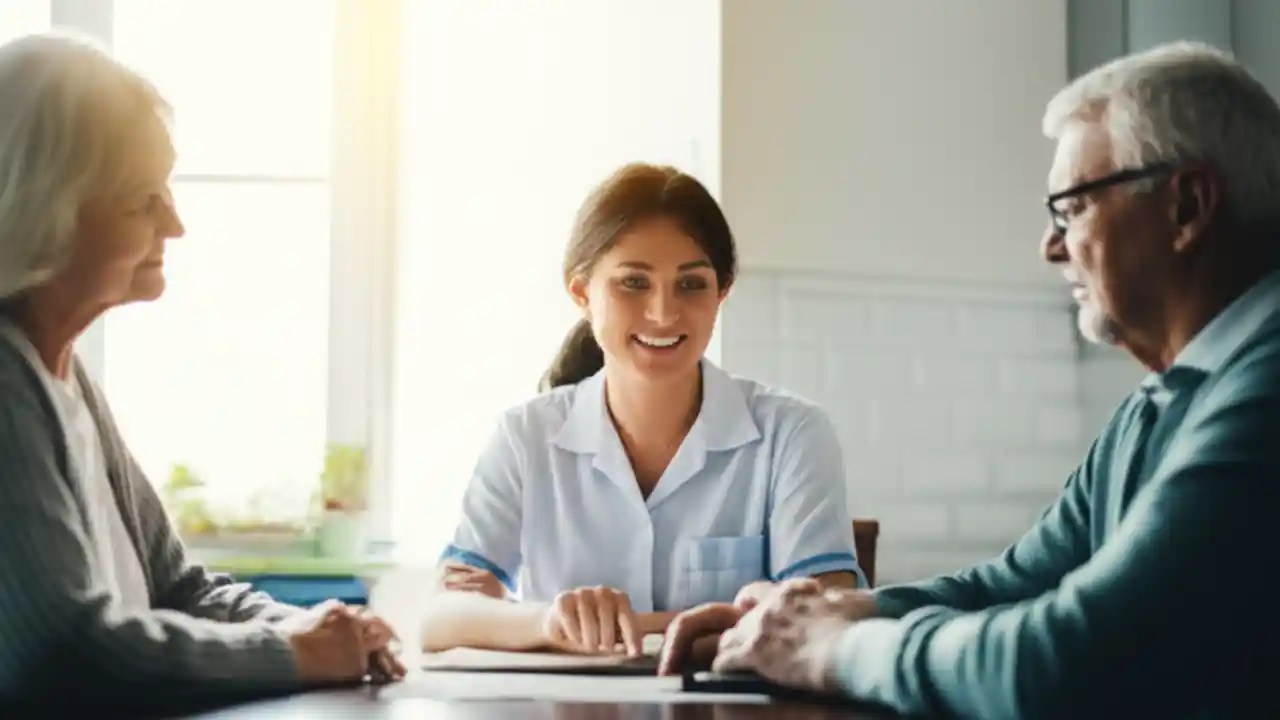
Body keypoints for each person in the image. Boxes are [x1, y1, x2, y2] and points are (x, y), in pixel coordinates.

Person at [659, 41, 1280, 718]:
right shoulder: (1163, 402)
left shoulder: (1264, 392)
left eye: (1070, 209)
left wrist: (831, 649)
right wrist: (822, 610)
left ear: (1188, 206)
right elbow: (1019, 582)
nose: (1050, 246)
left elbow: (1063, 661)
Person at [0, 33, 403, 709]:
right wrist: (294, 652)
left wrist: (308, 627)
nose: (176, 224)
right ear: (49, 211)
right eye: (142, 202)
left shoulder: (61, 378)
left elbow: (179, 589)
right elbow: (64, 650)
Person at [420, 163, 864, 656]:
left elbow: (827, 614)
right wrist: (550, 620)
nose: (662, 313)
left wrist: (619, 626)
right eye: (633, 283)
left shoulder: (792, 433)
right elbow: (441, 617)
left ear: (722, 293)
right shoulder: (525, 435)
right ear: (582, 292)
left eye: (691, 285)